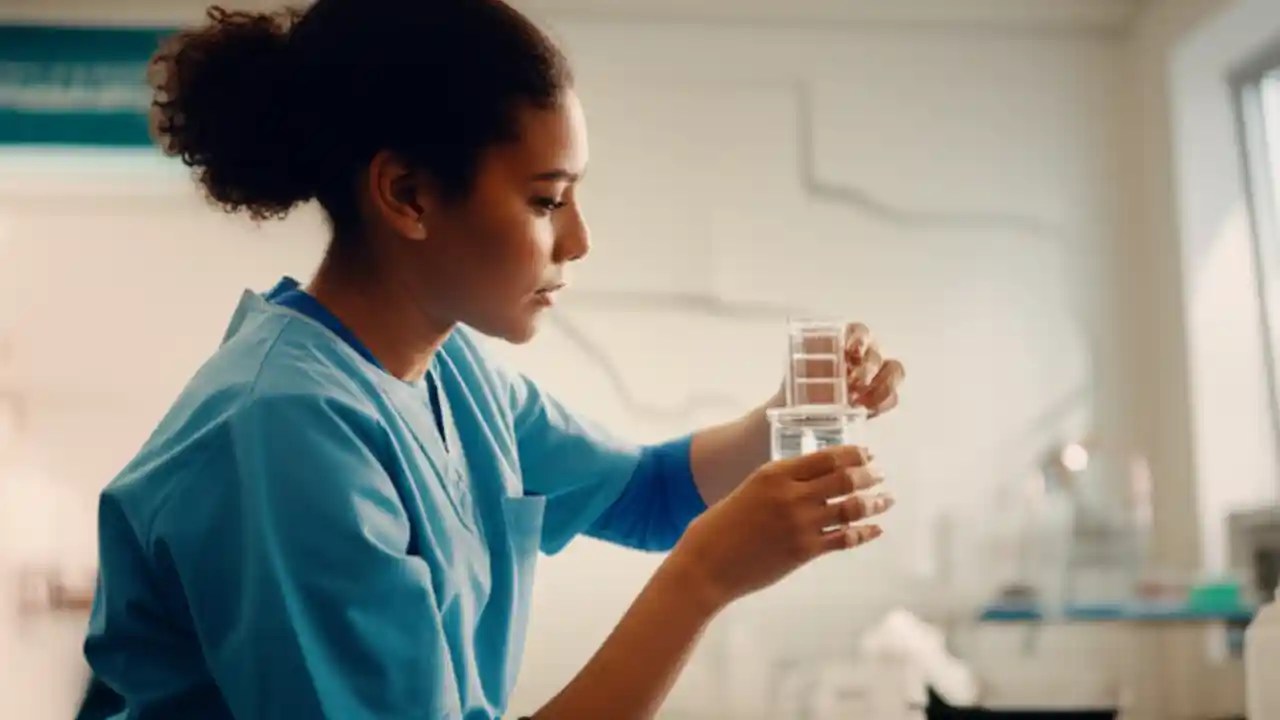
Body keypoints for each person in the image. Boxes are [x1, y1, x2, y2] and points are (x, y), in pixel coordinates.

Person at [83, 1, 906, 718]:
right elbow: (683, 542)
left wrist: (786, 411)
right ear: (407, 195)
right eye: (546, 201)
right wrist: (704, 581)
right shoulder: (285, 432)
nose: (578, 242)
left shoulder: (452, 375)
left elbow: (650, 495)